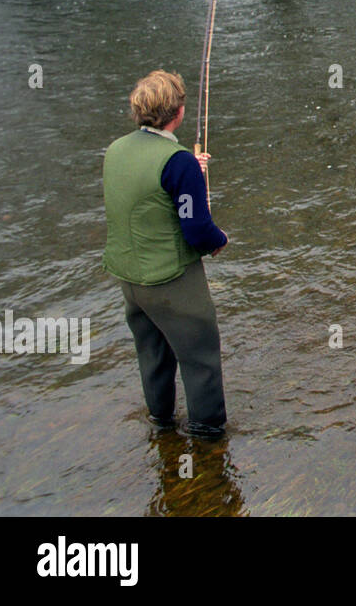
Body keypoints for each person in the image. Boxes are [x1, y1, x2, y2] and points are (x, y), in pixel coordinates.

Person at [102, 70, 229, 438]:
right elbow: (197, 231)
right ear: (178, 112)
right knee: (200, 359)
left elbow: (147, 196)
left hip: (129, 281)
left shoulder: (116, 150)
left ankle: (160, 424)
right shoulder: (178, 163)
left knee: (153, 354)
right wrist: (220, 240)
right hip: (172, 283)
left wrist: (190, 173)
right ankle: (207, 435)